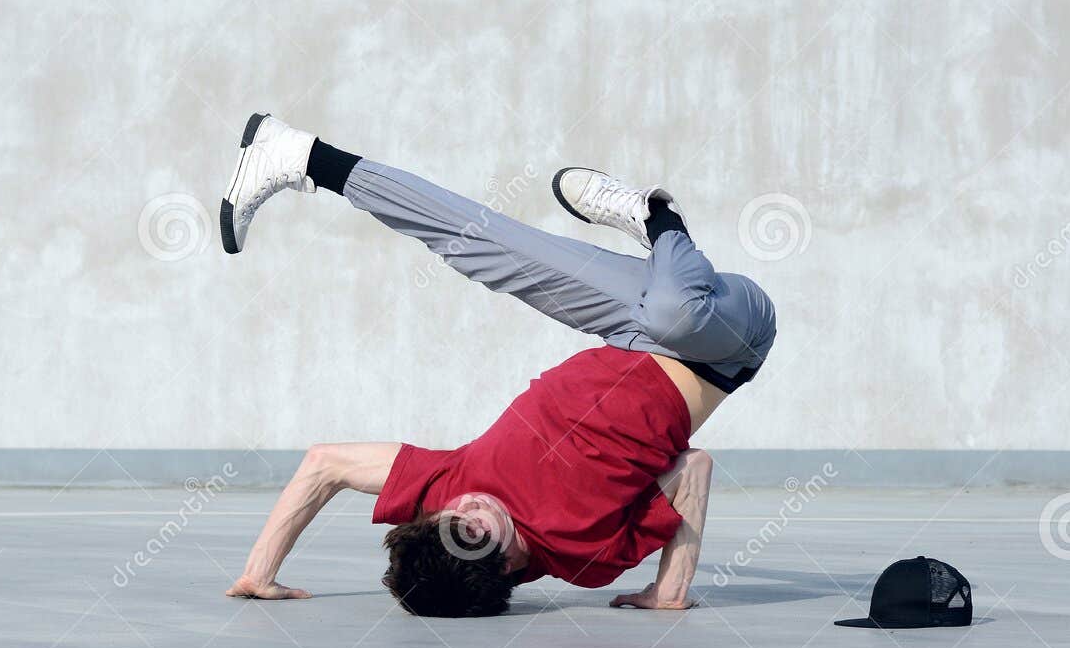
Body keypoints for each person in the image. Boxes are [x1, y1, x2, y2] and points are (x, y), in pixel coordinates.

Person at [217, 113, 777, 617]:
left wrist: (258, 572)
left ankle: (299, 155)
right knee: (676, 313)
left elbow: (324, 464)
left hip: (629, 324)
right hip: (725, 344)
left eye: (450, 516)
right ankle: (660, 219)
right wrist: (670, 590)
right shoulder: (585, 558)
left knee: (474, 243)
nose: (470, 504)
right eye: (477, 527)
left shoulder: (444, 486)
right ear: (506, 565)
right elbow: (694, 467)